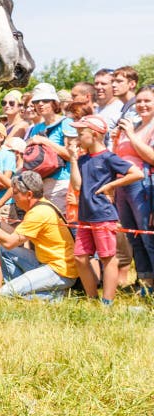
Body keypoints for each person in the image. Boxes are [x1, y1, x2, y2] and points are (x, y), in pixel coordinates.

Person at [69, 115, 143, 305]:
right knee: (80, 257)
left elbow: (137, 173)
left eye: (80, 133)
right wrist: (72, 159)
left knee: (108, 257)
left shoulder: (108, 157)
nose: (77, 138)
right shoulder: (83, 159)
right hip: (85, 215)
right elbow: (77, 186)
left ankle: (107, 301)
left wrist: (111, 185)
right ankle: (91, 296)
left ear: (94, 134)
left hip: (103, 215)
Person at [0, 171, 78, 301]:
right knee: (4, 251)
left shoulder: (38, 212)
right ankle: (21, 288)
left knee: (4, 293)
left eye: (15, 193)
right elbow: (14, 236)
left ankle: (56, 298)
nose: (13, 197)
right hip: (47, 263)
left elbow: (10, 242)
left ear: (29, 194)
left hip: (59, 271)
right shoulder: (42, 206)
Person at [113, 85, 154, 296]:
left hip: (143, 184)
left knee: (148, 236)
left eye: (147, 101)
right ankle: (145, 283)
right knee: (134, 237)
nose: (142, 105)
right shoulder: (135, 125)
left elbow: (152, 157)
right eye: (139, 101)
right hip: (123, 186)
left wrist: (131, 135)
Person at [26, 82, 77, 213]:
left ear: (54, 103)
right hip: (40, 183)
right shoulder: (36, 128)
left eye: (45, 100)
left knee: (60, 225)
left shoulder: (66, 123)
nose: (40, 104)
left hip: (61, 182)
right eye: (36, 101)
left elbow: (71, 154)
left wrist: (44, 141)